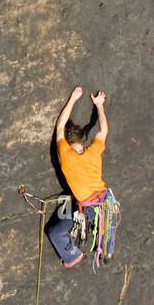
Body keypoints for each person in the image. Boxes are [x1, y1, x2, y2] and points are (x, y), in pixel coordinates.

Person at [47, 86, 110, 268]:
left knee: (54, 233)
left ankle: (73, 256)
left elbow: (59, 126)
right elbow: (103, 130)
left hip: (88, 208)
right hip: (103, 202)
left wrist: (73, 99)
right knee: (67, 201)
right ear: (83, 141)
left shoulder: (66, 157)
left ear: (68, 142)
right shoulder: (93, 151)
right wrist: (99, 105)